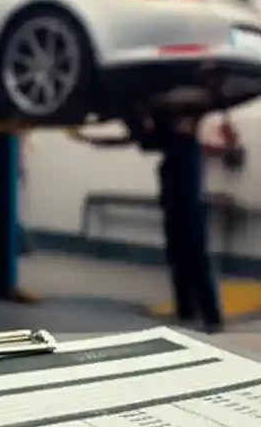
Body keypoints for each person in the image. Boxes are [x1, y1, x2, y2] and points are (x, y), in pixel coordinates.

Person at [71, 108, 224, 333]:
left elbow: (140, 136)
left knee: (195, 260)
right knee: (179, 259)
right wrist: (92, 140)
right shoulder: (169, 140)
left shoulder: (187, 142)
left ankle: (212, 317)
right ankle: (187, 311)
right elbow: (131, 139)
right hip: (174, 207)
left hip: (189, 210)